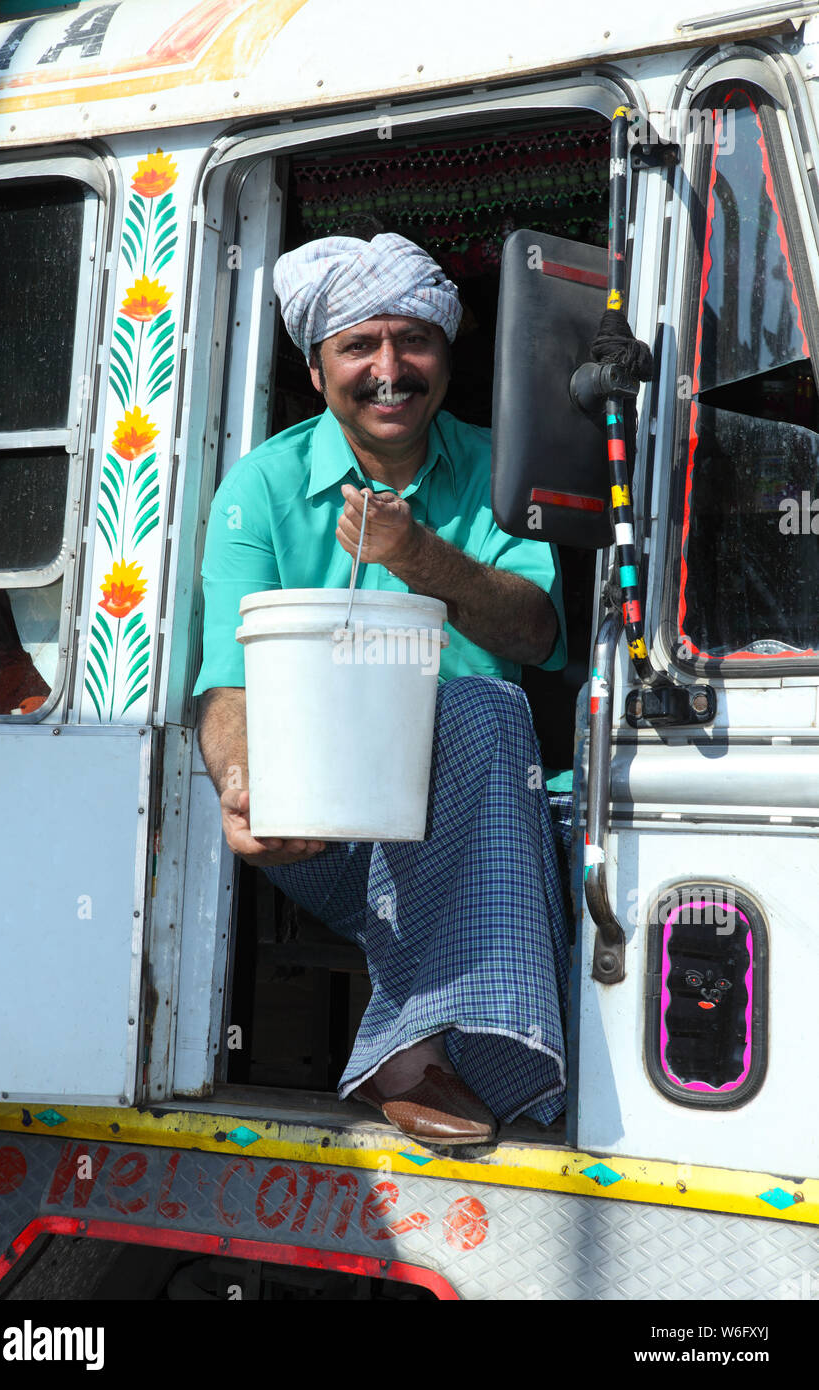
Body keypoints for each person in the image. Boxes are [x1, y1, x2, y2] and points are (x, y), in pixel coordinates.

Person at [195, 232, 570, 1147]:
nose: (389, 368)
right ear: (318, 373)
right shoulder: (263, 486)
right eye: (358, 346)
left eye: (415, 340)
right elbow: (224, 685)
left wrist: (416, 554)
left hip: (484, 811)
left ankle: (414, 1052)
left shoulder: (500, 468)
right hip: (330, 823)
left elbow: (538, 631)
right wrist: (241, 786)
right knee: (476, 718)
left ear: (447, 356)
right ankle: (456, 1055)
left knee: (485, 708)